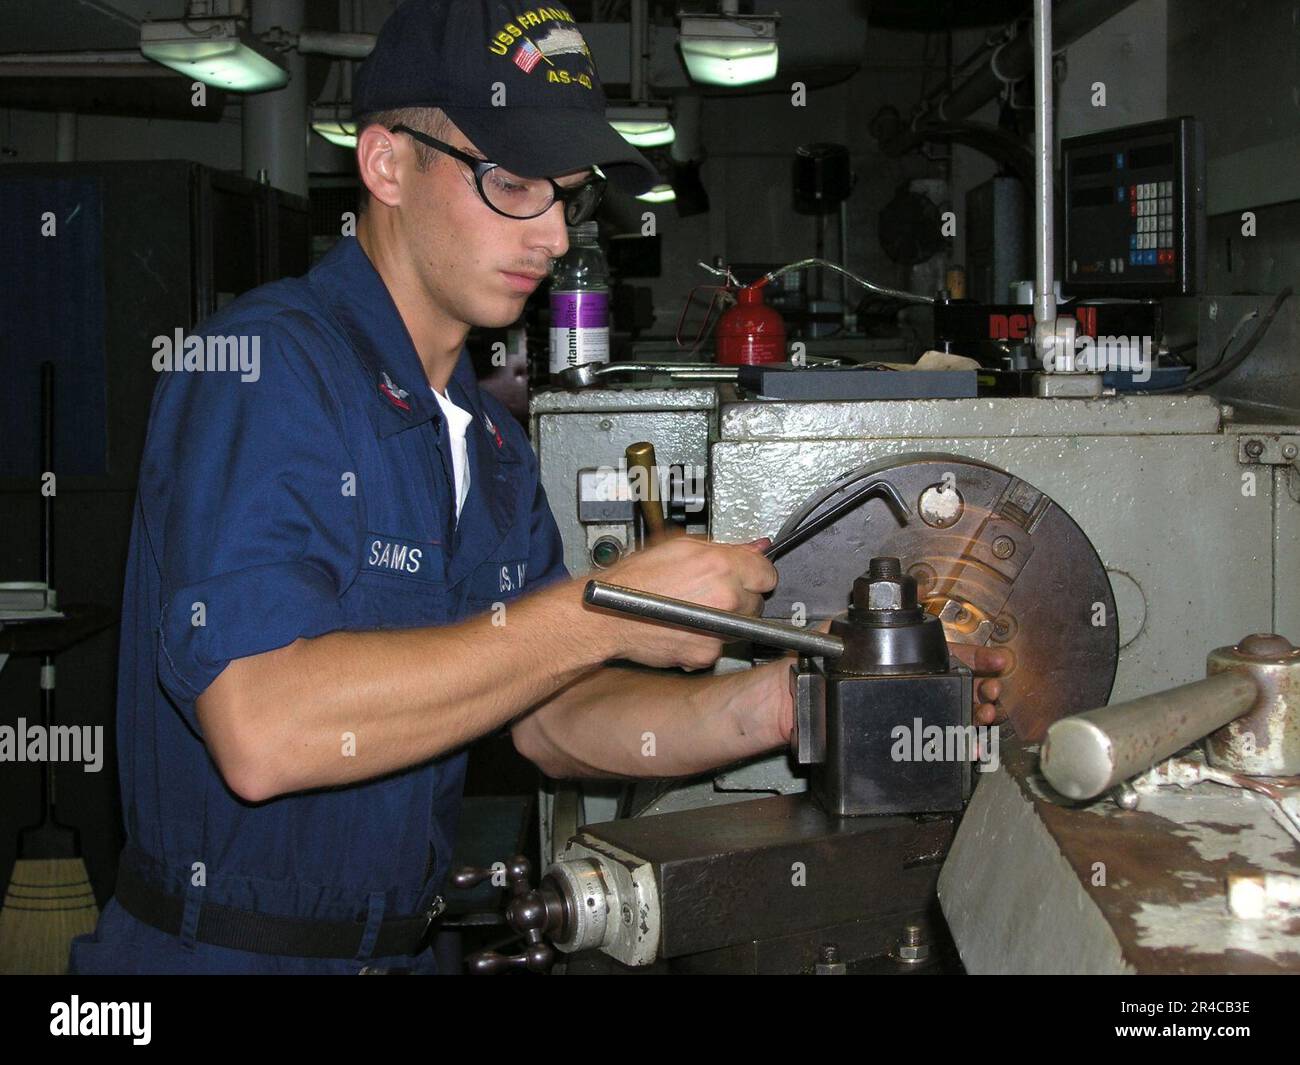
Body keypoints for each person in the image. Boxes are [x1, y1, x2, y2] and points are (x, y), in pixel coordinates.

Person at [69, 0, 1005, 974]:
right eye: (512, 182)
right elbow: (264, 728)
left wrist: (793, 707)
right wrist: (601, 612)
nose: (554, 237)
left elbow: (554, 723)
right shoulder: (264, 372)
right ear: (386, 163)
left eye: (567, 194)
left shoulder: (492, 446)